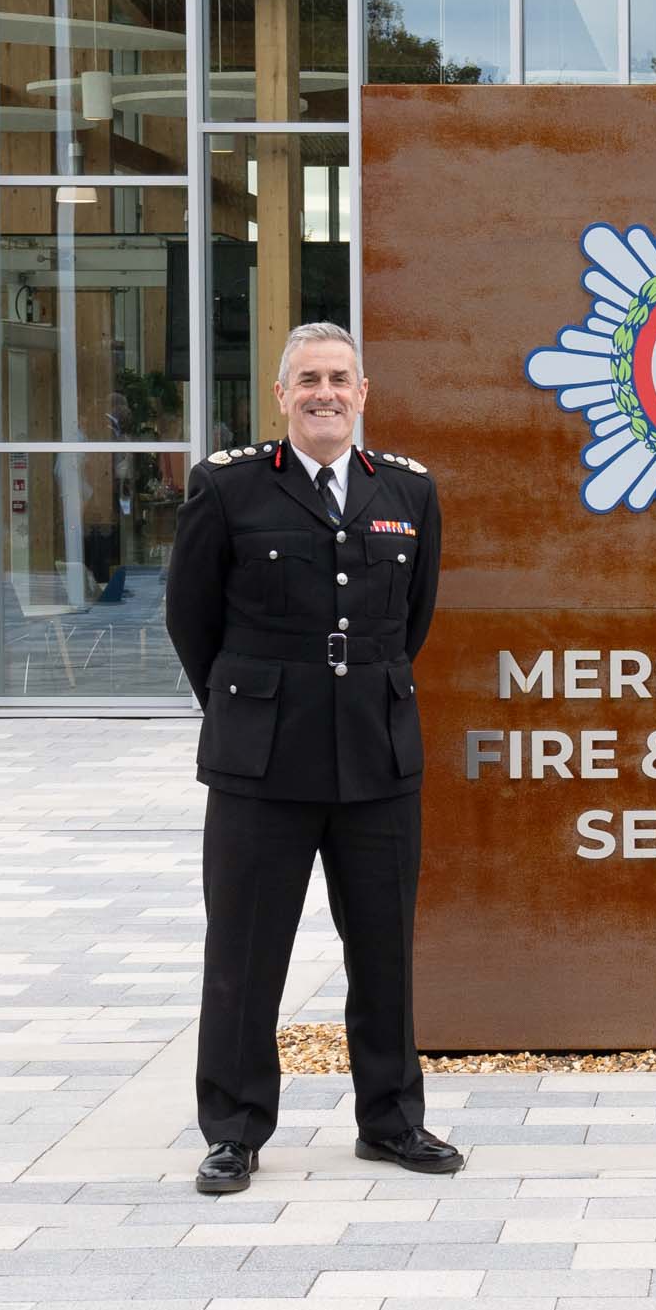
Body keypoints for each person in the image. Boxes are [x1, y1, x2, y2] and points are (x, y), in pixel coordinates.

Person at [164, 322, 462, 1197]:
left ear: (362, 394)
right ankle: (233, 1130)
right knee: (246, 952)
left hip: (376, 755)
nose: (324, 393)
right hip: (262, 763)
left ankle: (392, 1121)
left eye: (339, 379)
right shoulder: (229, 487)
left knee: (383, 951)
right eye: (308, 380)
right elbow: (191, 620)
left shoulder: (407, 491)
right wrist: (246, 705)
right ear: (281, 396)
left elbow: (412, 620)